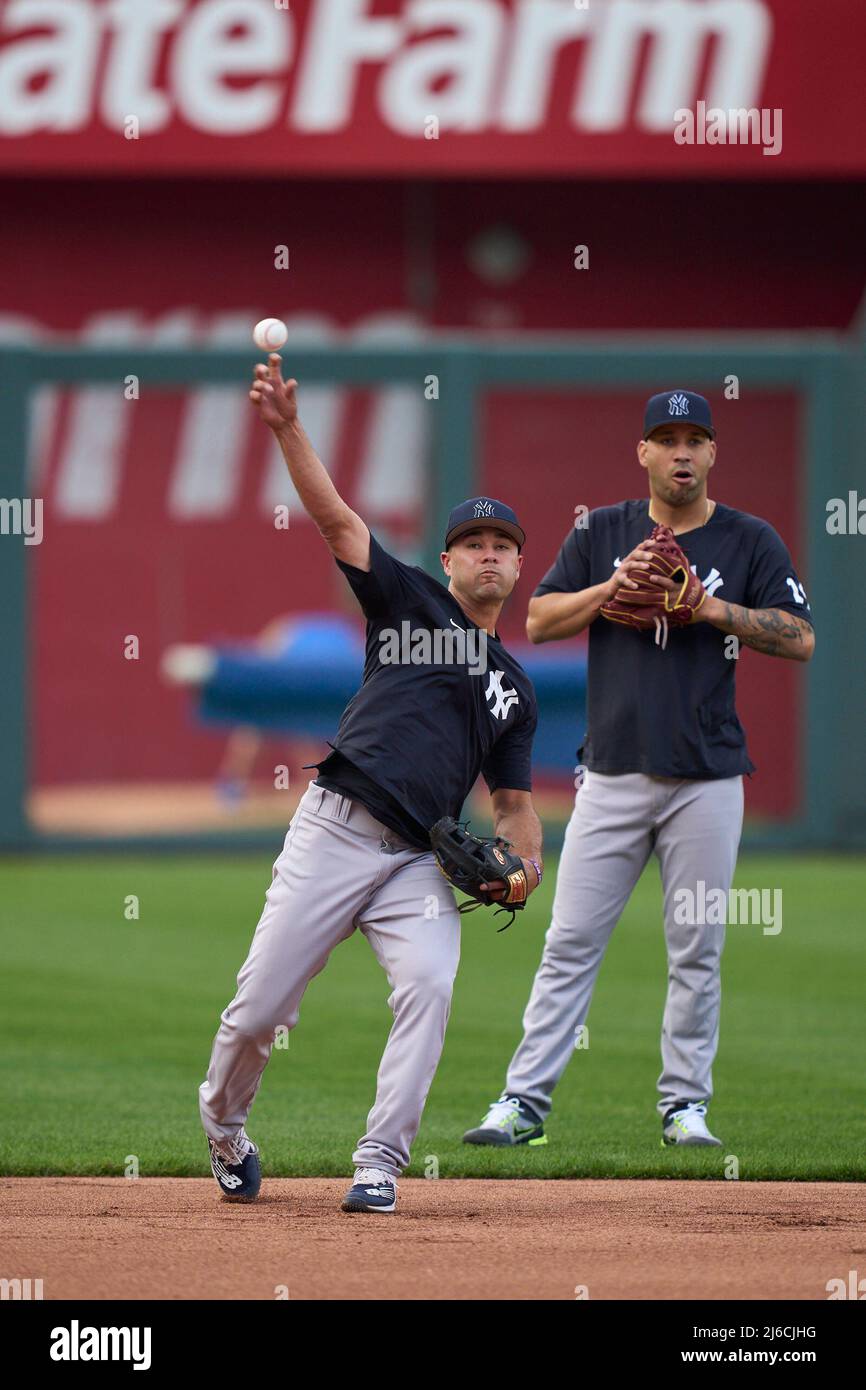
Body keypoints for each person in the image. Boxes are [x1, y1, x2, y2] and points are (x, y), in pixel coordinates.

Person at [199, 353, 542, 1212]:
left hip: (418, 865)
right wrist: (287, 427)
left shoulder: (516, 687)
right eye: (475, 544)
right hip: (335, 830)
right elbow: (334, 519)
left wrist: (527, 869)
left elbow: (514, 805)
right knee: (257, 1012)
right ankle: (224, 1126)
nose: (490, 555)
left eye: (504, 545)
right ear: (449, 560)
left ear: (515, 567)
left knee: (428, 989)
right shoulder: (408, 601)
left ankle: (380, 1163)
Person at [463, 389, 814, 1150]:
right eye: (667, 438)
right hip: (614, 771)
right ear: (644, 453)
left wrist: (711, 609)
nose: (681, 452)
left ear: (713, 453)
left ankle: (684, 1107)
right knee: (569, 942)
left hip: (709, 775)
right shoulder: (603, 530)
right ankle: (522, 1104)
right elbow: (540, 620)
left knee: (696, 946)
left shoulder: (750, 540)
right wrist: (611, 588)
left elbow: (799, 638)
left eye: (695, 439)